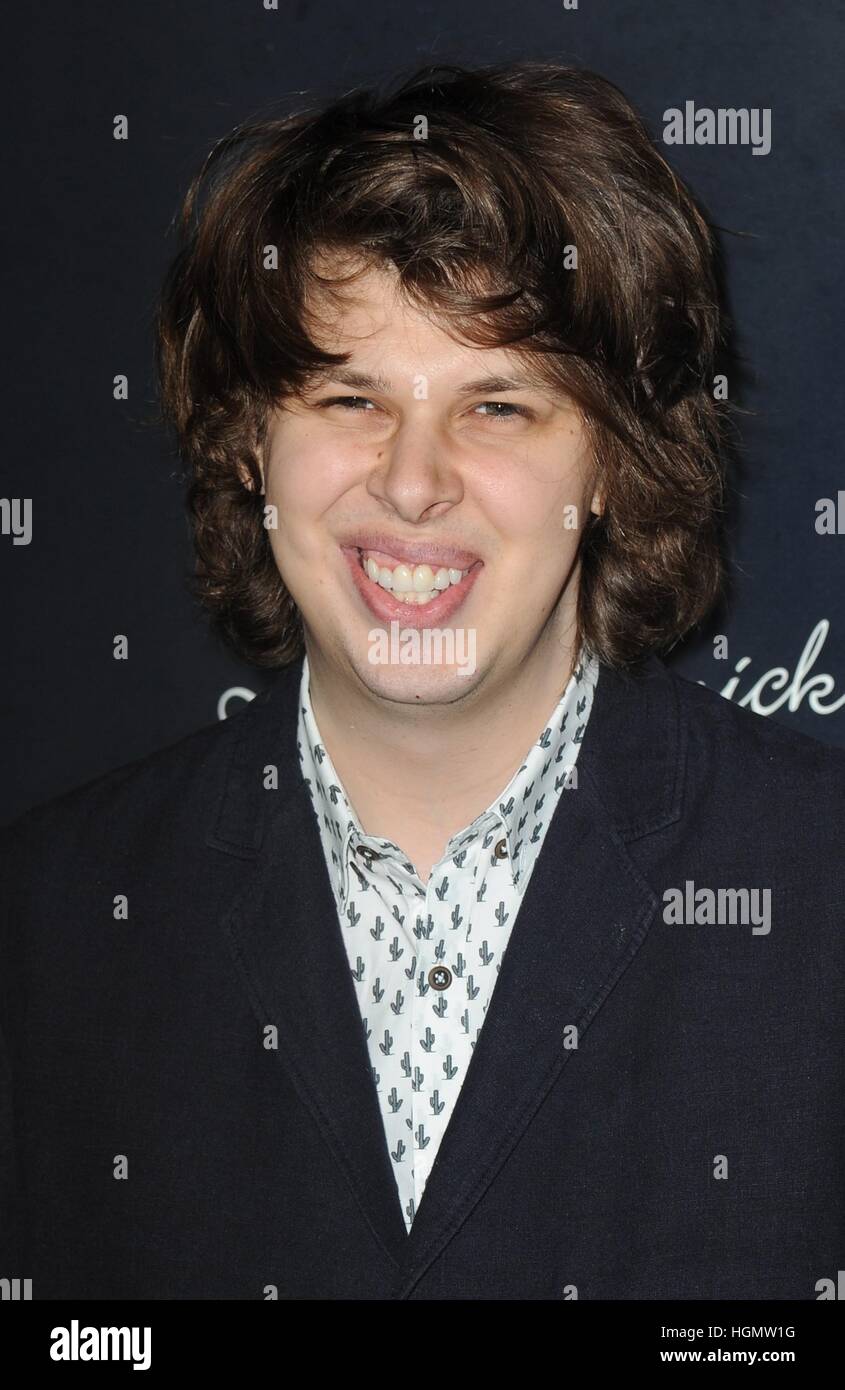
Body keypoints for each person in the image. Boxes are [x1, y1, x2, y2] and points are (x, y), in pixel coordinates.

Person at [1, 62, 842, 1301]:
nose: (409, 483)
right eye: (348, 396)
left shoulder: (820, 890)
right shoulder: (48, 924)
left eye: (496, 405)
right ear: (248, 448)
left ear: (613, 464)